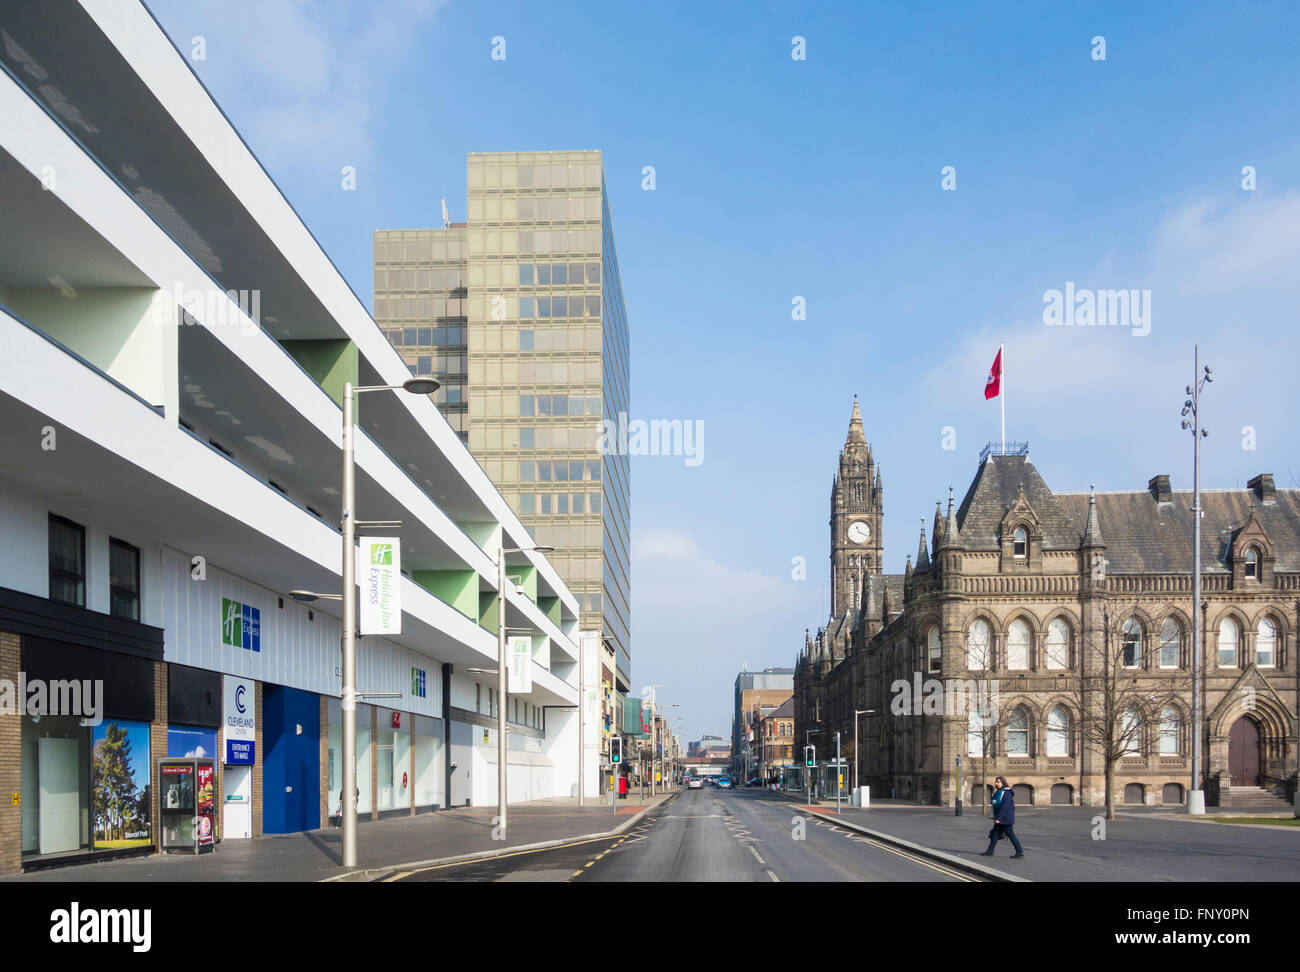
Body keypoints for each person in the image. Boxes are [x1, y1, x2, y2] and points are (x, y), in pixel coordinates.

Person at [980, 776, 1024, 859]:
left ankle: (1019, 851)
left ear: (1003, 783)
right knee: (994, 834)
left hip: (1006, 818)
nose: (996, 783)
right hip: (1000, 817)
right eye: (996, 782)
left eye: (998, 782)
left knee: (1010, 834)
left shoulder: (1006, 792)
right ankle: (990, 851)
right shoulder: (999, 792)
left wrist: (999, 818)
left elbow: (1004, 806)